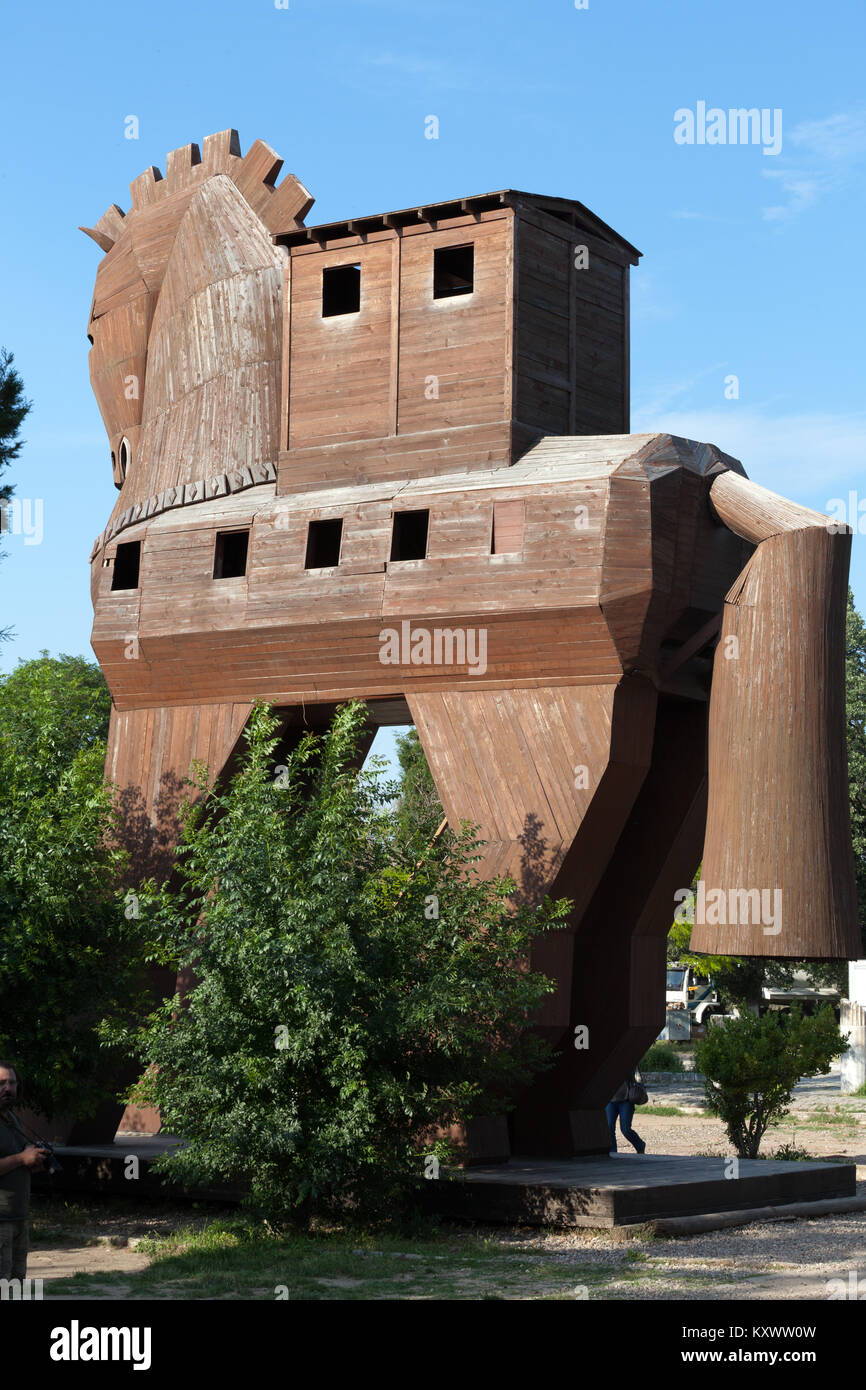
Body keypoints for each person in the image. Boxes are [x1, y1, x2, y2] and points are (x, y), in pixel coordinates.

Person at [0, 1062, 46, 1284]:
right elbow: (16, 1159)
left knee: (16, 1286)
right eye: (1, 1083)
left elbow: (17, 1159)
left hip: (18, 1216)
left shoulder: (12, 1119)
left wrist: (32, 1158)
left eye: (12, 1083)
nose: (7, 1088)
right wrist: (20, 1158)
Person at [606, 1073, 646, 1154]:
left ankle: (640, 1145)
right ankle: (613, 1152)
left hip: (626, 1099)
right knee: (609, 1127)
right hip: (610, 1099)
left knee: (625, 1129)